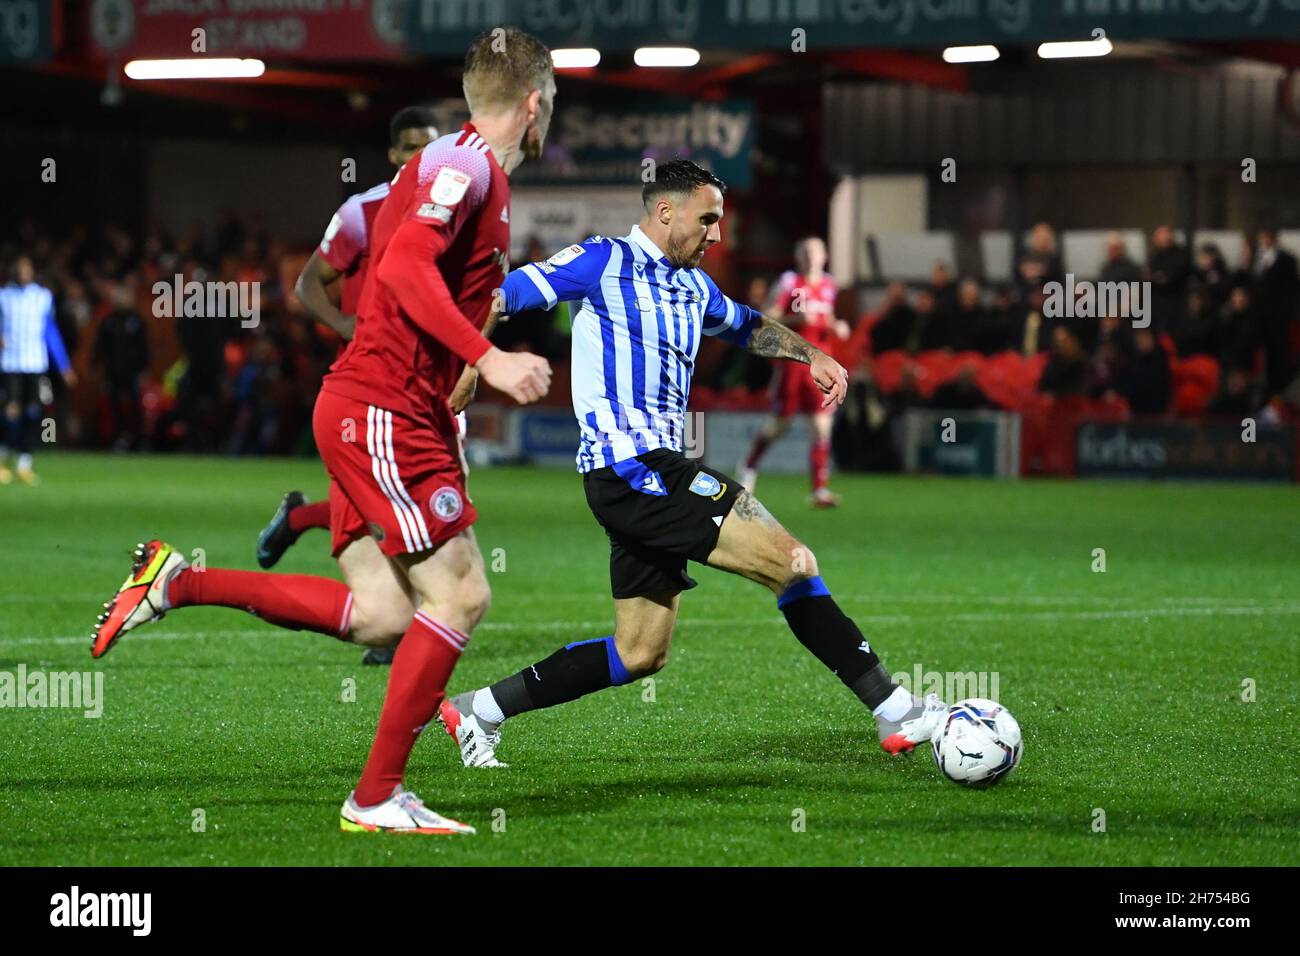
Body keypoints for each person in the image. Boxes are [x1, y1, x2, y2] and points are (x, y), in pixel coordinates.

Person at [90, 28, 557, 836]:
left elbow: (427, 276)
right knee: (461, 593)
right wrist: (491, 356)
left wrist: (462, 362)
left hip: (391, 407)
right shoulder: (466, 163)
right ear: (536, 102)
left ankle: (175, 582)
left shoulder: (463, 166)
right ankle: (376, 796)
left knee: (382, 614)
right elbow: (407, 267)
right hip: (381, 409)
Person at [435, 160, 946, 772]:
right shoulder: (603, 260)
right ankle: (895, 710)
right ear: (665, 210)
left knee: (638, 653)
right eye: (708, 220)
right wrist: (474, 367)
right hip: (633, 468)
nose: (717, 235)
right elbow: (502, 294)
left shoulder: (693, 285)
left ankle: (479, 709)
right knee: (793, 563)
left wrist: (811, 354)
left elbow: (747, 327)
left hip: (649, 476)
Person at [256, 105, 439, 668]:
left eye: (429, 147)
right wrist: (345, 325)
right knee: (401, 500)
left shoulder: (451, 213)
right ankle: (401, 625)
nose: (419, 157)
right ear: (392, 154)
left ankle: (298, 520)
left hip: (430, 383)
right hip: (369, 385)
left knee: (401, 500)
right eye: (409, 147)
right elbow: (309, 282)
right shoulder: (363, 211)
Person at [738, 237, 849, 507]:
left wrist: (837, 326)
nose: (811, 256)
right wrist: (795, 319)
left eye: (816, 251)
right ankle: (748, 467)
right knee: (779, 425)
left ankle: (819, 490)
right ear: (799, 256)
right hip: (793, 363)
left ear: (824, 255)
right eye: (806, 251)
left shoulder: (829, 285)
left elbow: (827, 316)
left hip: (820, 362)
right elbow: (768, 314)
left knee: (822, 425)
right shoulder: (789, 282)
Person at [0, 255, 76, 485]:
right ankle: (3, 459)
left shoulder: (42, 297)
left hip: (36, 364)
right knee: (10, 411)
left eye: (27, 268)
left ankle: (25, 463)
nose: (24, 272)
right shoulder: (3, 296)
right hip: (11, 363)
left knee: (34, 412)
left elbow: (50, 333)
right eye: (20, 268)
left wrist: (64, 366)